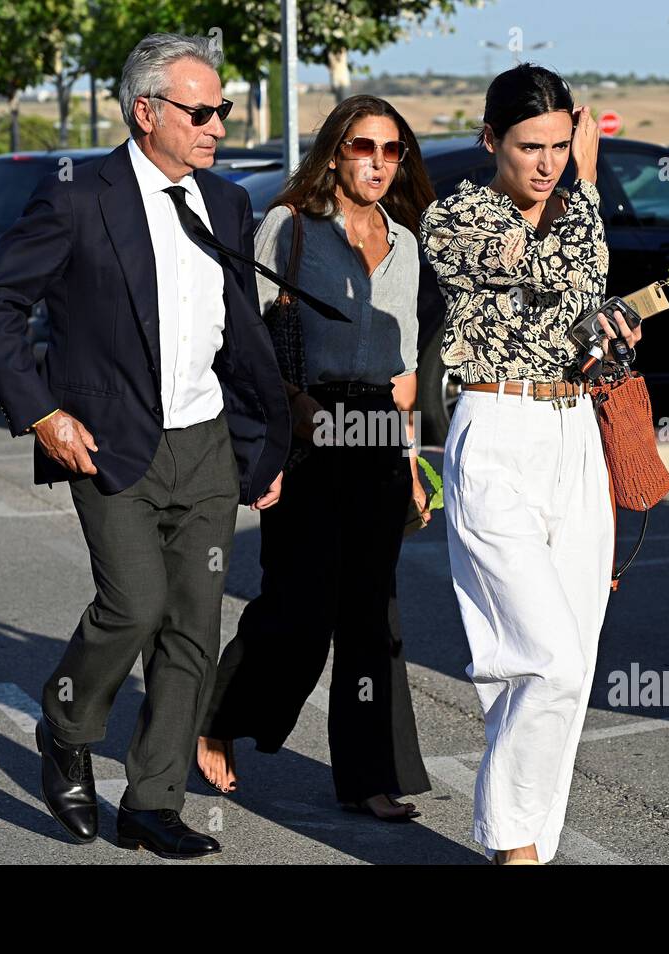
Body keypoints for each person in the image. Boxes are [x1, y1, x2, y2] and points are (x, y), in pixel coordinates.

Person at [0, 32, 291, 860]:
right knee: (134, 605)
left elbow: (241, 334)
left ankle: (152, 802)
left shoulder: (225, 202)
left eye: (222, 109)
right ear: (146, 111)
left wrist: (265, 444)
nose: (218, 123)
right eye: (201, 109)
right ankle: (66, 726)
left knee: (193, 628)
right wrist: (42, 414)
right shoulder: (79, 195)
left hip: (207, 444)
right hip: (109, 442)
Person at [419, 64, 640, 865]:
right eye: (526, 147)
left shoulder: (576, 206)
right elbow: (564, 272)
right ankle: (513, 849)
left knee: (571, 663)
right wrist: (584, 185)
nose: (545, 163)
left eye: (556, 146)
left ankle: (530, 848)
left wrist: (610, 325)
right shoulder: (453, 217)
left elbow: (584, 296)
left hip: (574, 430)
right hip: (498, 428)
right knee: (537, 657)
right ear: (490, 141)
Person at [196, 95, 435, 821]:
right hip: (307, 428)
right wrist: (290, 409)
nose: (378, 163)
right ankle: (217, 715)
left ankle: (370, 775)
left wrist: (414, 460)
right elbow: (246, 337)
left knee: (372, 615)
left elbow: (410, 370)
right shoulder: (289, 229)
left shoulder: (406, 243)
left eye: (392, 150)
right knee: (297, 608)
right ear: (335, 151)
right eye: (364, 147)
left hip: (377, 434)